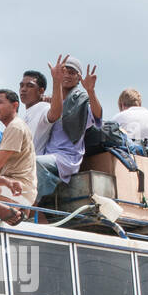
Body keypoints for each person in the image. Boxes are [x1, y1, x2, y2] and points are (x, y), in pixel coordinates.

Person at [34, 55, 101, 203]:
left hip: (66, 157)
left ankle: (30, 206)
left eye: (72, 72)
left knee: (36, 163)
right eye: (64, 71)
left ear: (79, 78)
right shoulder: (50, 101)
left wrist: (91, 91)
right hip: (47, 153)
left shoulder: (80, 100)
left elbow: (97, 117)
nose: (67, 75)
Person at [0, 89, 37, 208]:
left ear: (14, 105)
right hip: (12, 186)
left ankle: (12, 212)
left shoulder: (15, 126)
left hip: (18, 188)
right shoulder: (12, 127)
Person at [18, 70, 53, 152]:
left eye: (30, 86)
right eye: (21, 86)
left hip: (34, 162)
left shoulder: (44, 107)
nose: (23, 89)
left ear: (41, 91)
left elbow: (54, 115)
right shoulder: (23, 117)